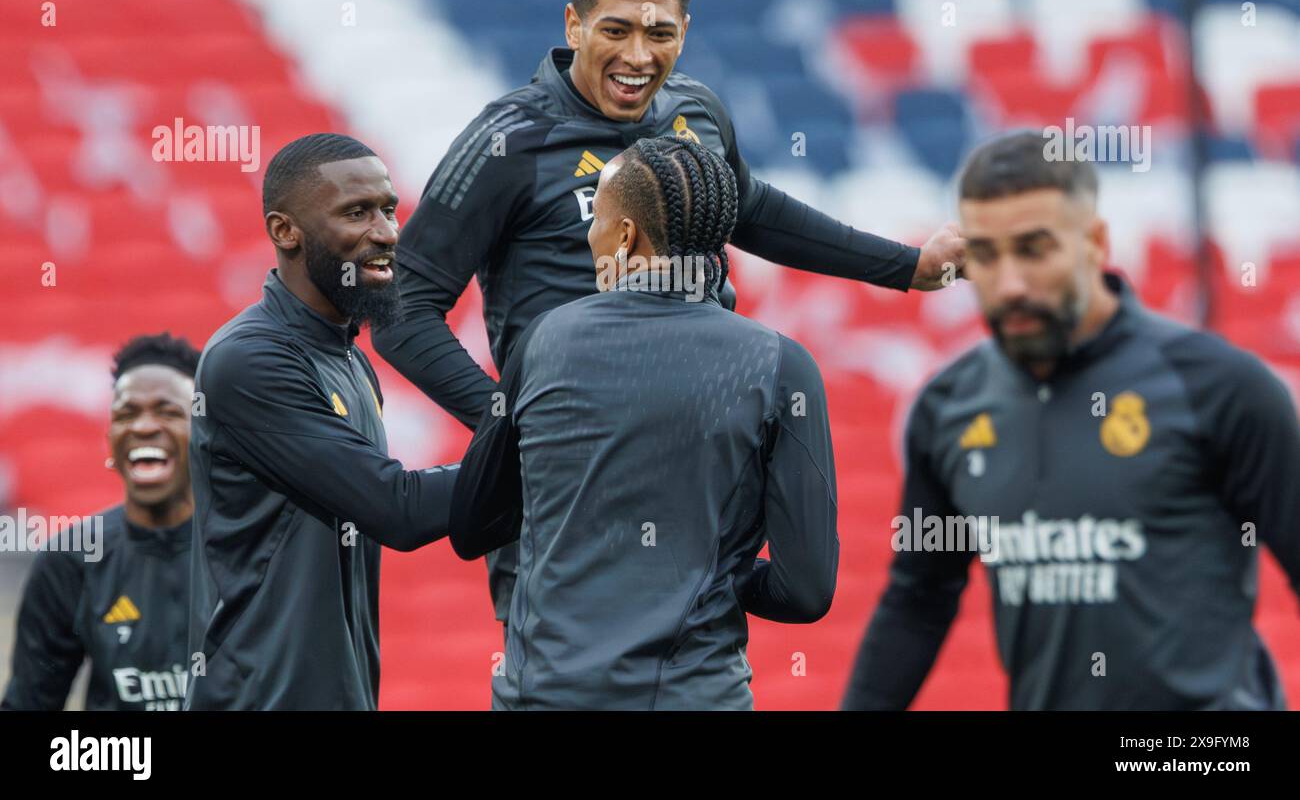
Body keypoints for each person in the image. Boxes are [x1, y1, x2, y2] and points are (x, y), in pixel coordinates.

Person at [375, 0, 960, 626]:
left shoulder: (697, 113)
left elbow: (757, 212)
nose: (637, 55)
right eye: (615, 30)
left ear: (685, 29)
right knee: (570, 682)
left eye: (660, 34)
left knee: (700, 664)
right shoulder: (511, 140)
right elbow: (403, 306)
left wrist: (906, 266)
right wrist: (514, 425)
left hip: (699, 471)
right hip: (572, 484)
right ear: (574, 23)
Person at [841, 130, 1300, 710]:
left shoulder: (1222, 389)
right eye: (985, 254)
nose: (1009, 284)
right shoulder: (947, 409)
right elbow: (919, 599)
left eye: (1034, 250)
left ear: (1095, 242)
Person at [449, 136, 839, 709]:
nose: (590, 238)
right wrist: (720, 574)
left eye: (597, 223)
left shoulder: (542, 341)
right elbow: (805, 591)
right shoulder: (782, 365)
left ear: (625, 237)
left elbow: (472, 525)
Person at [186, 133, 458, 710]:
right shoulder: (250, 360)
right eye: (356, 213)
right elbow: (399, 510)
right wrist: (540, 443)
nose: (386, 232)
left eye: (388, 209)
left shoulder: (351, 358)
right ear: (285, 231)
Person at [3, 333, 200, 710]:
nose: (143, 426)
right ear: (110, 437)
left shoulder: (252, 549)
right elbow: (30, 701)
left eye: (169, 411)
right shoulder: (71, 560)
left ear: (205, 431)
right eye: (126, 413)